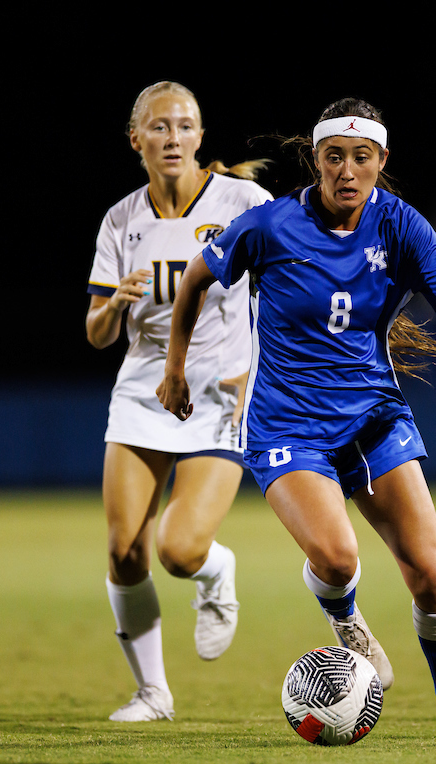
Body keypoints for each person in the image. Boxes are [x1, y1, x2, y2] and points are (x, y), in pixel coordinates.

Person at [157, 98, 436, 740]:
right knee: (338, 556)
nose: (348, 170)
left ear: (381, 163)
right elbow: (194, 279)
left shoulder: (398, 223)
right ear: (316, 160)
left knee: (431, 574)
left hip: (374, 419)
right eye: (335, 157)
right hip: (288, 428)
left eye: (362, 158)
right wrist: (175, 368)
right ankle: (346, 619)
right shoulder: (270, 226)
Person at [86, 81, 272, 722]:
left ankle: (216, 576)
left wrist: (259, 368)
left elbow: (287, 287)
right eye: (160, 127)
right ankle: (153, 693)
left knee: (180, 549)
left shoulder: (243, 201)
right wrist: (114, 304)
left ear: (200, 136)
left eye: (185, 126)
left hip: (220, 394)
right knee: (123, 551)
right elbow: (96, 333)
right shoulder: (121, 219)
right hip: (141, 393)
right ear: (135, 138)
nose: (173, 138)